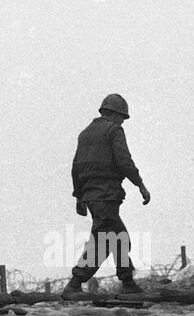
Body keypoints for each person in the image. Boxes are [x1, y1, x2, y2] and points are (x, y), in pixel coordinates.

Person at [65, 93, 151, 295]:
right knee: (111, 239)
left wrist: (79, 196)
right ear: (114, 114)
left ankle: (126, 281)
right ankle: (77, 282)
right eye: (122, 117)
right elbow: (124, 161)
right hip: (107, 195)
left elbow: (76, 166)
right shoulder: (114, 130)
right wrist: (140, 184)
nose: (122, 121)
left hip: (92, 197)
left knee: (113, 238)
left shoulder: (84, 134)